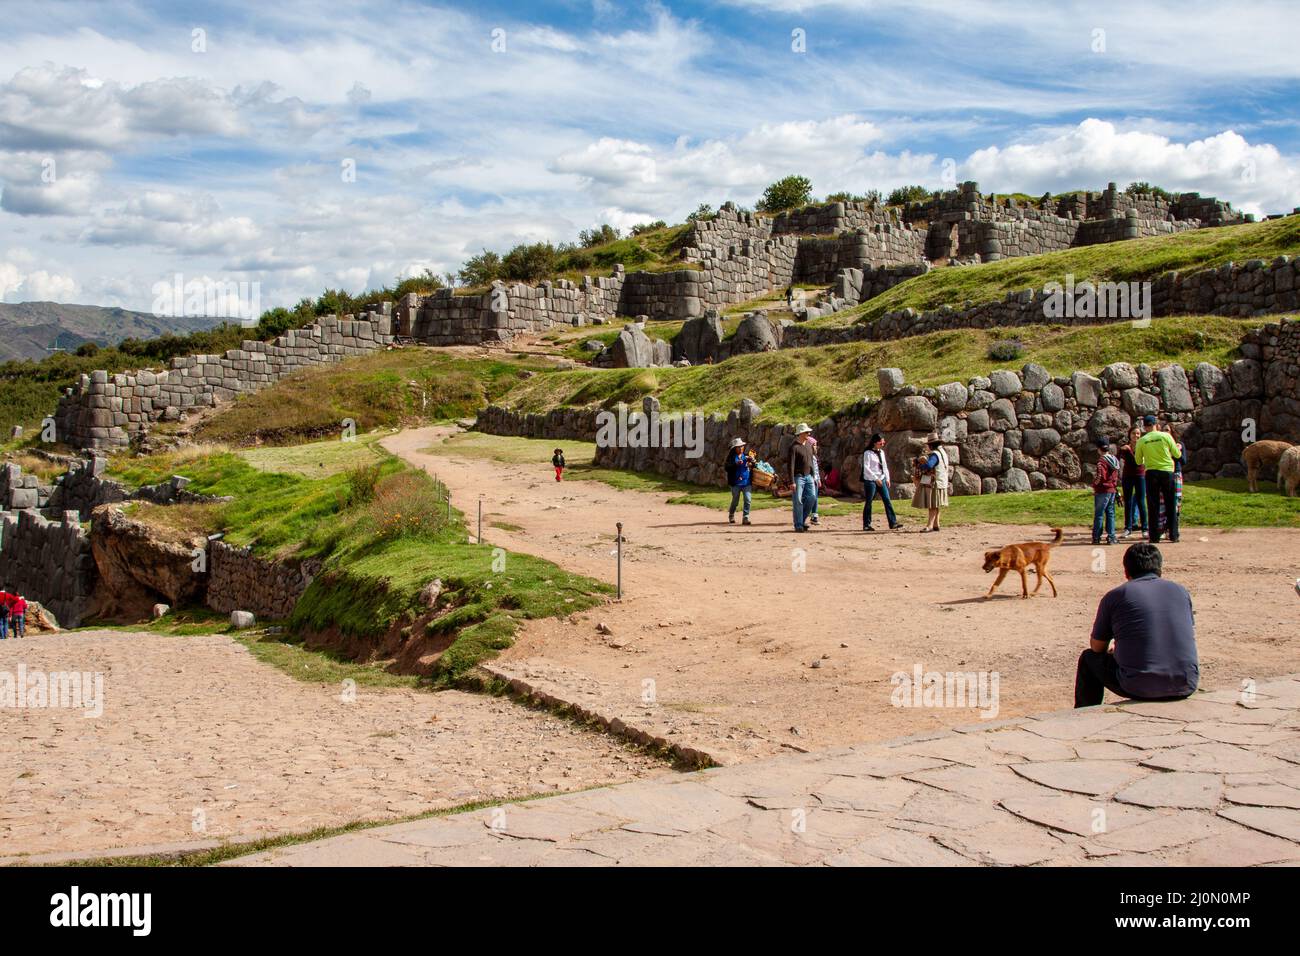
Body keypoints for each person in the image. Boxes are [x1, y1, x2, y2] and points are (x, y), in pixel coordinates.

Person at [1074, 543, 1199, 708]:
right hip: (1186, 684)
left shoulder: (1116, 595)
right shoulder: (1180, 591)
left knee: (1088, 658)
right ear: (1159, 568)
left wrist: (1117, 652)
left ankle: (1085, 715)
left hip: (1139, 686)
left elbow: (1097, 648)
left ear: (1126, 571)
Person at [1135, 415, 1181, 543]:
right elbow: (1177, 454)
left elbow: (1138, 461)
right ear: (1156, 424)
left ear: (1145, 426)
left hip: (1151, 473)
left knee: (1153, 505)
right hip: (1167, 472)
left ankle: (1154, 536)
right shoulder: (1165, 436)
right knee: (1170, 504)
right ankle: (1173, 534)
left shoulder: (1142, 440)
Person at [861, 432, 901, 531]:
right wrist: (875, 478)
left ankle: (893, 522)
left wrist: (887, 478)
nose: (882, 444)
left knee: (887, 500)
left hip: (881, 478)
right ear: (875, 442)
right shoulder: (867, 453)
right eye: (880, 443)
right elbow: (866, 468)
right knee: (869, 501)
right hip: (871, 480)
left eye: (883, 443)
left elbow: (885, 466)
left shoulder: (882, 452)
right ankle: (867, 524)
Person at [913, 433, 950, 533]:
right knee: (936, 504)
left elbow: (929, 465)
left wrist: (919, 465)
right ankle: (936, 524)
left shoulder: (935, 454)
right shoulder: (943, 452)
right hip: (942, 481)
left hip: (935, 482)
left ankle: (929, 525)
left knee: (932, 505)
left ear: (931, 445)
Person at [1118, 426, 1147, 539]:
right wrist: (1123, 450)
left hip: (1140, 475)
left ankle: (1145, 528)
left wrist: (1129, 451)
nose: (1136, 436)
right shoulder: (1125, 448)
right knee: (1128, 501)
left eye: (1138, 433)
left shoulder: (1143, 446)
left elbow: (1138, 461)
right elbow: (1118, 459)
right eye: (1134, 433)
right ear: (1129, 435)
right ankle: (1128, 528)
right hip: (1128, 476)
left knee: (1141, 501)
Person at [1092, 438, 1121, 546]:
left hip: (1102, 490)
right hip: (1112, 489)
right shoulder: (1114, 460)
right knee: (1110, 513)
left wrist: (1095, 485)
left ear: (1099, 449)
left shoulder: (1101, 461)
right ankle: (1111, 537)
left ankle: (1096, 537)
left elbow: (1101, 476)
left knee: (1099, 514)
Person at [790, 423, 817, 532]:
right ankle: (799, 525)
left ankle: (801, 520)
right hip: (798, 477)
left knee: (812, 498)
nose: (809, 433)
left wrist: (813, 476)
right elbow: (790, 465)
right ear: (801, 433)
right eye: (806, 432)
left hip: (809, 476)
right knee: (798, 501)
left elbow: (811, 462)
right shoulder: (794, 447)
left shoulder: (809, 446)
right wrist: (792, 481)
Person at [724, 437, 754, 525]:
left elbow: (753, 466)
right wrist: (735, 464)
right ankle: (731, 514)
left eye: (742, 446)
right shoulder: (731, 458)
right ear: (734, 448)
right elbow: (727, 468)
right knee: (735, 501)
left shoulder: (747, 456)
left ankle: (745, 517)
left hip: (746, 482)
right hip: (736, 483)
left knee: (748, 499)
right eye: (738, 447)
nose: (741, 448)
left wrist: (752, 463)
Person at [806, 431, 821, 525]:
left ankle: (814, 516)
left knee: (815, 498)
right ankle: (807, 515)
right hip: (810, 479)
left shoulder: (814, 457)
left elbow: (816, 469)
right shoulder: (808, 456)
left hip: (815, 479)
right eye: (814, 445)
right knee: (811, 497)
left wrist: (818, 479)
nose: (816, 447)